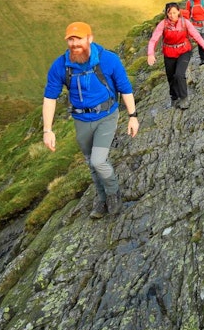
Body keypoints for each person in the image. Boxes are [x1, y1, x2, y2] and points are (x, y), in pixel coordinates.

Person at [42, 21, 139, 219]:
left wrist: (132, 116)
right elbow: (49, 98)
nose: (74, 44)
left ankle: (113, 194)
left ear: (90, 39)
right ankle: (101, 197)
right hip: (81, 119)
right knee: (90, 162)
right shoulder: (61, 66)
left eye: (79, 39)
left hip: (107, 116)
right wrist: (47, 129)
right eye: (70, 40)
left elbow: (125, 88)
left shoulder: (108, 60)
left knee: (98, 160)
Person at [148, 2, 204, 110]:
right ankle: (174, 97)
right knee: (171, 77)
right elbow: (154, 40)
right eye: (169, 13)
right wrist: (151, 54)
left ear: (179, 11)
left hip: (184, 51)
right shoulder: (163, 24)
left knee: (179, 74)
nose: (172, 15)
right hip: (169, 53)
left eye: (174, 12)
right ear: (166, 14)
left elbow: (197, 36)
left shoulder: (185, 23)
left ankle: (184, 98)